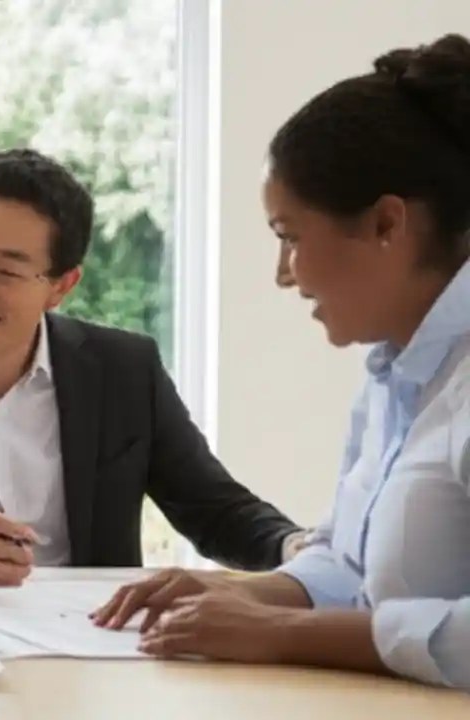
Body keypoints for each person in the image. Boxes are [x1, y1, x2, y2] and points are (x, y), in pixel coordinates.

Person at [91, 33, 470, 692]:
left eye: (290, 239)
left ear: (386, 224)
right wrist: (252, 593)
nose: (282, 275)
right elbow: (349, 564)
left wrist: (283, 632)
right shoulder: (394, 371)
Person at [0, 148, 301, 585]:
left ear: (61, 286)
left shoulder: (124, 369)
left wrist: (294, 547)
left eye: (7, 271)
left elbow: (213, 508)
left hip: (87, 644)